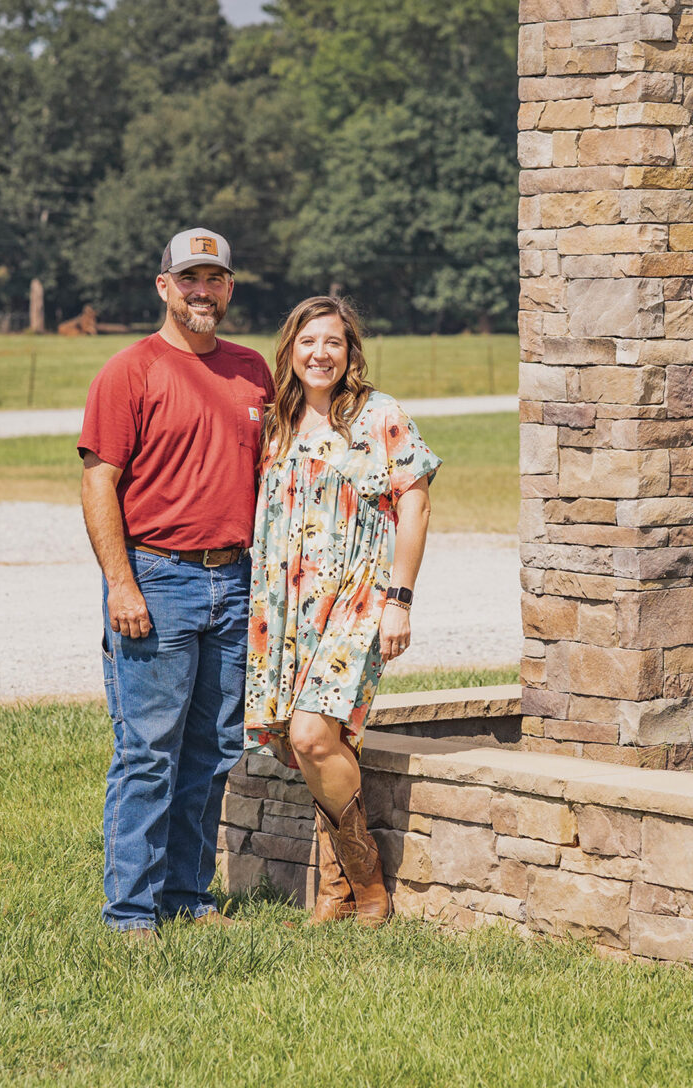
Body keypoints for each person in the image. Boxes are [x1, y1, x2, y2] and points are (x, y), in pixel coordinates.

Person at [77, 228, 273, 941]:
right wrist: (121, 584)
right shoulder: (130, 371)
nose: (202, 292)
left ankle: (187, 896)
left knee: (214, 749)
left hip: (236, 580)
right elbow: (100, 481)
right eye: (188, 278)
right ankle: (130, 913)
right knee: (148, 751)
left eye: (214, 279)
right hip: (158, 580)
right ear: (163, 286)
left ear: (229, 288)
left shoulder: (253, 371)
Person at [245, 296, 440, 926]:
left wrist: (399, 600)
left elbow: (415, 505)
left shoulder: (380, 416)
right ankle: (336, 893)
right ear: (290, 349)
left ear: (350, 351)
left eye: (332, 342)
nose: (319, 354)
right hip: (287, 604)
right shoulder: (277, 421)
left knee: (310, 732)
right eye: (307, 342)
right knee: (298, 742)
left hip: (358, 595)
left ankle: (368, 884)